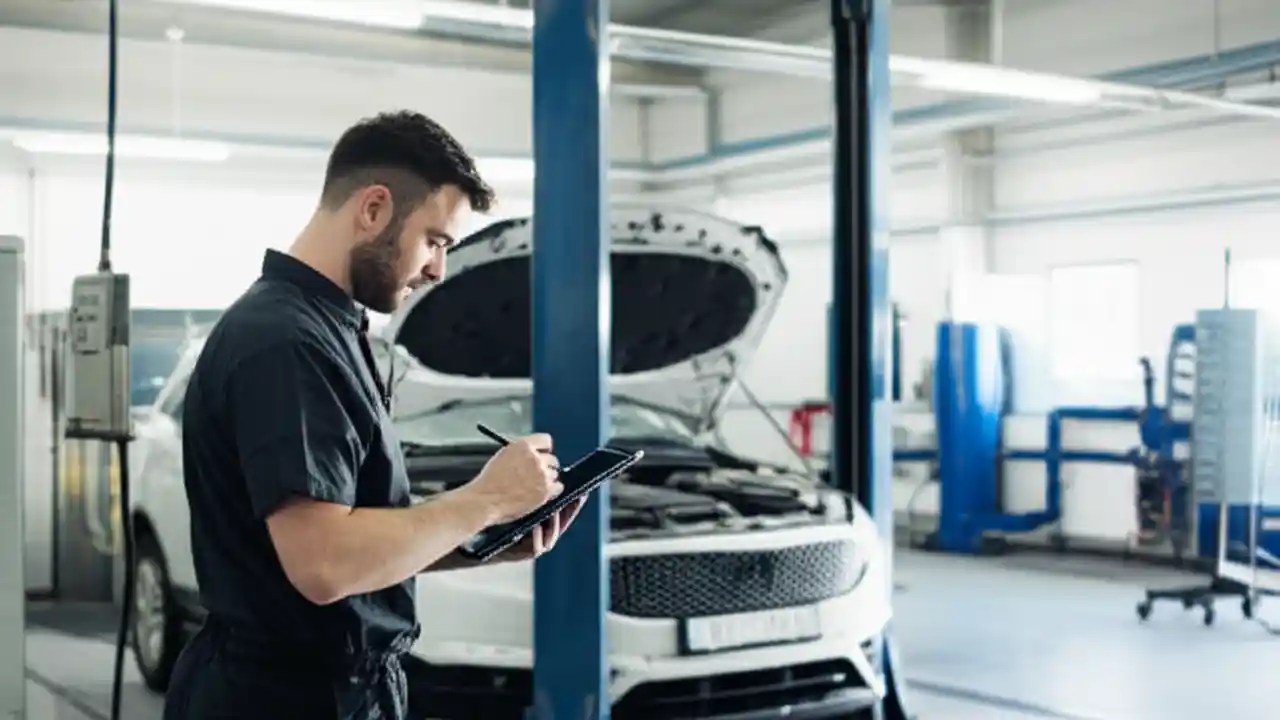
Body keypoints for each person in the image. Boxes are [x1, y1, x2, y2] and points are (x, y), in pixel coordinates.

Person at [163, 110, 584, 720]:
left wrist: (476, 541)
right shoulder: (286, 342)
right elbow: (324, 564)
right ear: (374, 209)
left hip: (327, 689)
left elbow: (357, 537)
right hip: (288, 700)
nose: (438, 269)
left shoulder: (329, 328)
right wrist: (487, 499)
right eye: (435, 241)